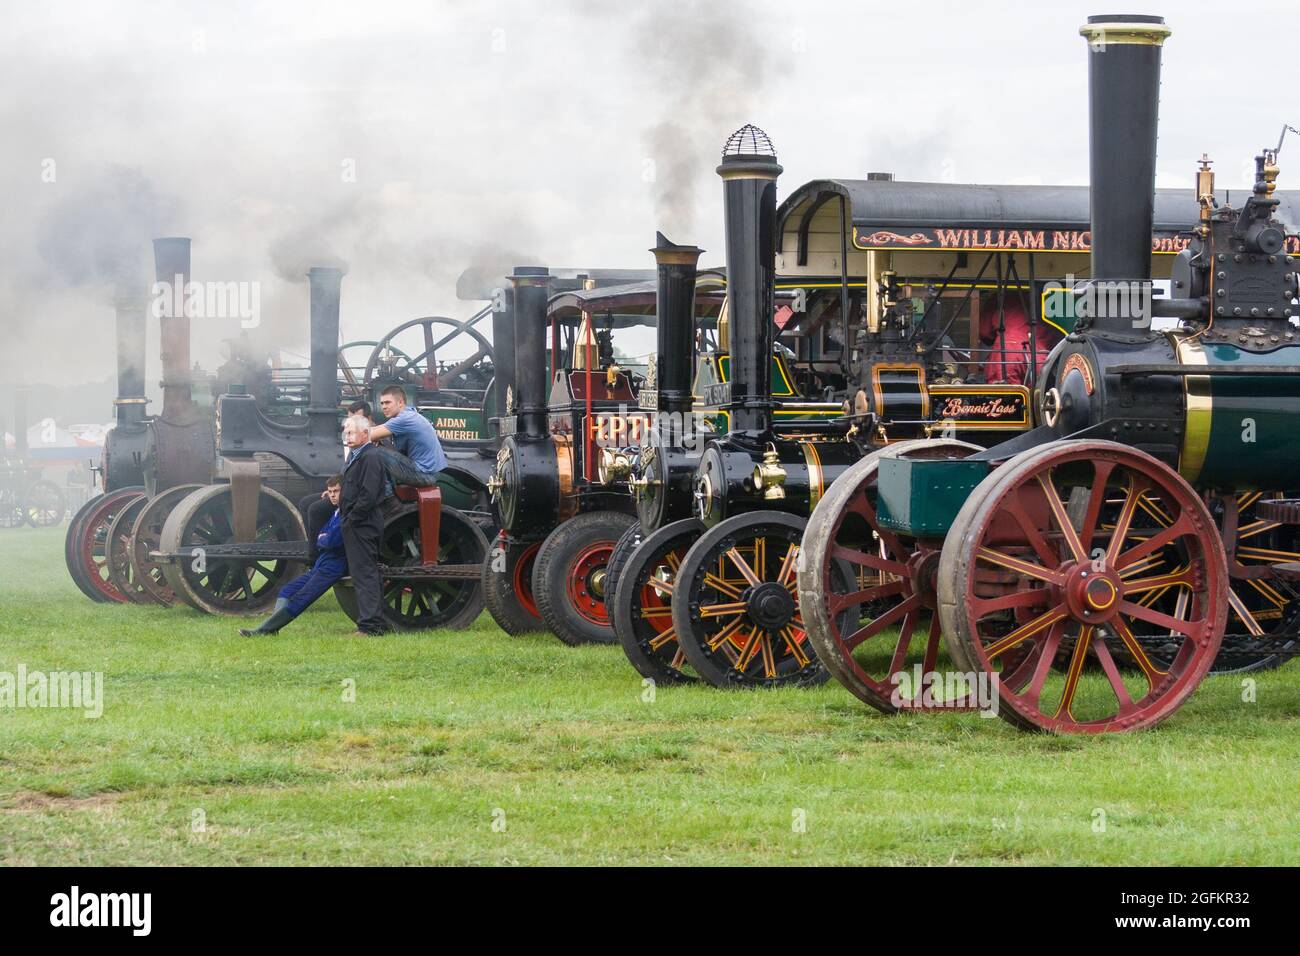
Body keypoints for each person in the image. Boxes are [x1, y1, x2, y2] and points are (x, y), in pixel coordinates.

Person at [241, 475, 348, 635]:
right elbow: (323, 536)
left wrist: (322, 538)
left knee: (302, 597)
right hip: (323, 562)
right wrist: (323, 538)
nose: (332, 495)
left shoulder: (345, 515)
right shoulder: (335, 513)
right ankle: (270, 627)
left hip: (334, 565)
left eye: (336, 491)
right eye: (330, 491)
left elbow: (330, 540)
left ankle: (265, 630)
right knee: (287, 590)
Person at [339, 414, 389, 636]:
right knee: (365, 574)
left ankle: (370, 626)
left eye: (350, 432)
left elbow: (368, 494)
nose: (347, 436)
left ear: (365, 433)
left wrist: (351, 519)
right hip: (358, 523)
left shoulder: (370, 457)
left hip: (363, 524)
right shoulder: (358, 456)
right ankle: (373, 622)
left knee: (365, 575)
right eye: (346, 432)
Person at [368, 385, 446, 487]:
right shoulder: (409, 413)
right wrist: (376, 436)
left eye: (387, 402)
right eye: (382, 403)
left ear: (400, 402)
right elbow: (376, 430)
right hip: (430, 472)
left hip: (423, 474)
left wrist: (369, 435)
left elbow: (366, 437)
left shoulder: (404, 419)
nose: (383, 407)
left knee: (372, 450)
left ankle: (386, 497)